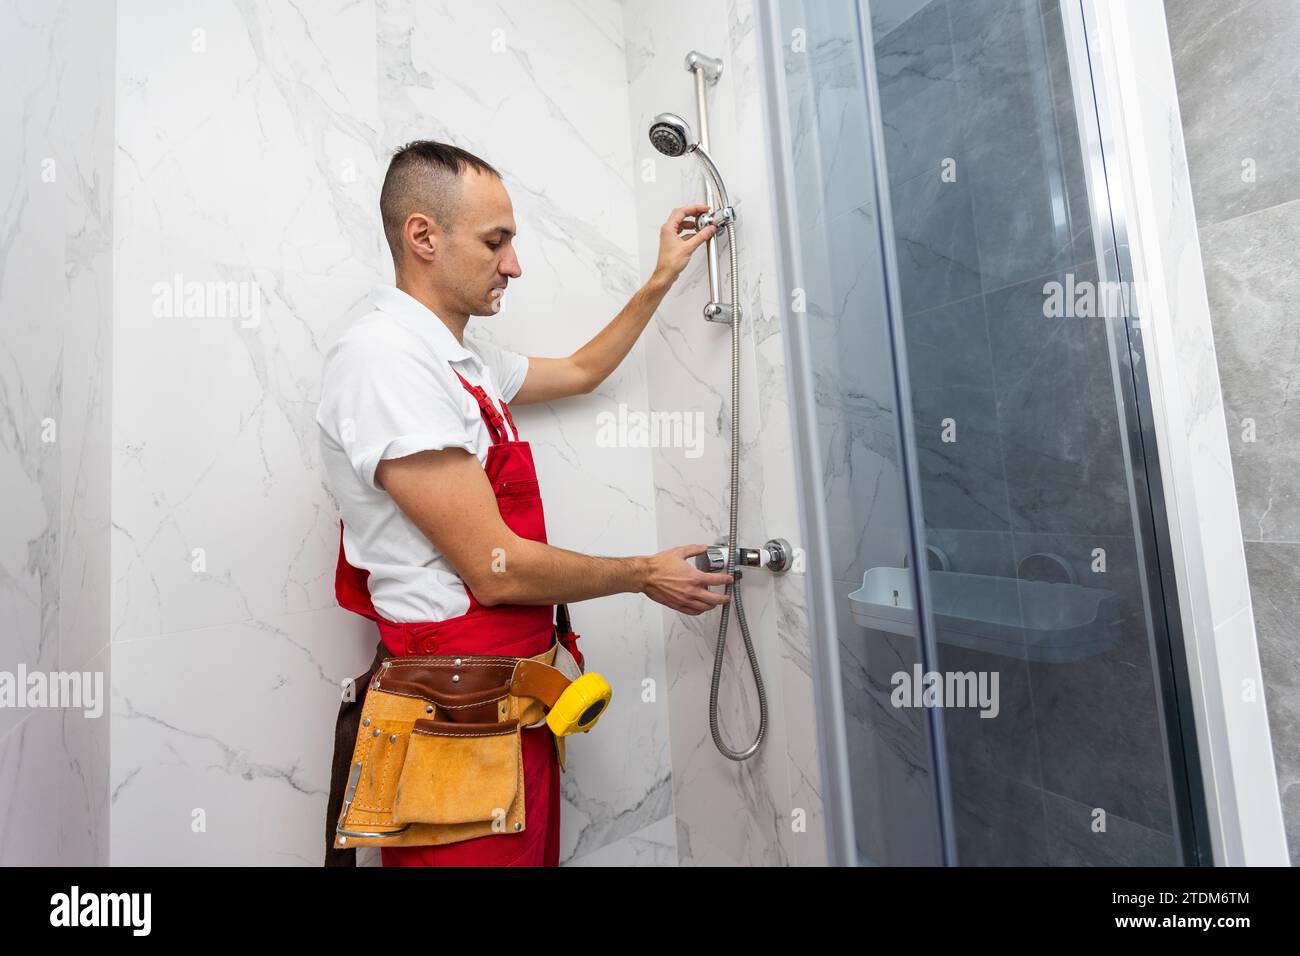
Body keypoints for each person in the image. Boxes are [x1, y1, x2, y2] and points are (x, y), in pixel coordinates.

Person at [316, 140, 733, 866]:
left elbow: (580, 369)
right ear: (423, 237)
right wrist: (644, 572)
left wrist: (662, 276)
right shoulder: (384, 360)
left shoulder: (464, 361)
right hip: (453, 727)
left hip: (514, 706)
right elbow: (495, 571)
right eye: (495, 241)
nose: (513, 264)